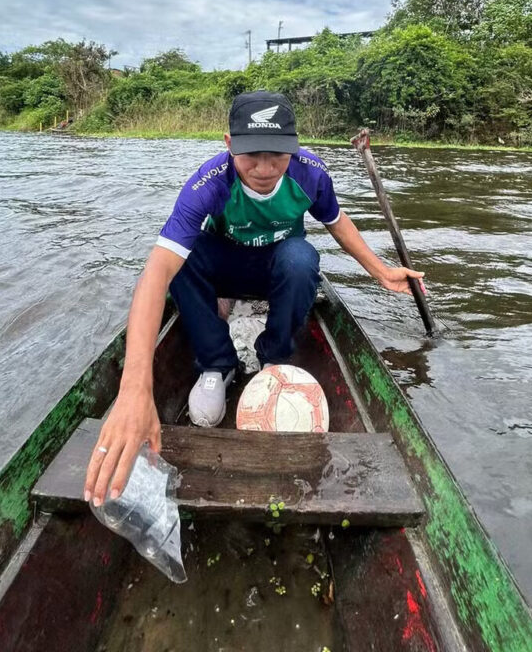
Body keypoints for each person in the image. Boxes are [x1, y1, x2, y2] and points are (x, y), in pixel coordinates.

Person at [84, 90, 424, 506]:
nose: (264, 168)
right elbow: (155, 274)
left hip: (278, 268)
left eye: (277, 155)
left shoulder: (311, 173)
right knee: (181, 261)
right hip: (226, 265)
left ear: (294, 148)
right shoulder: (208, 183)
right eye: (251, 155)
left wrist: (382, 271)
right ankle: (217, 363)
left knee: (302, 258)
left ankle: (273, 359)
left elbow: (337, 222)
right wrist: (134, 390)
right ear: (229, 145)